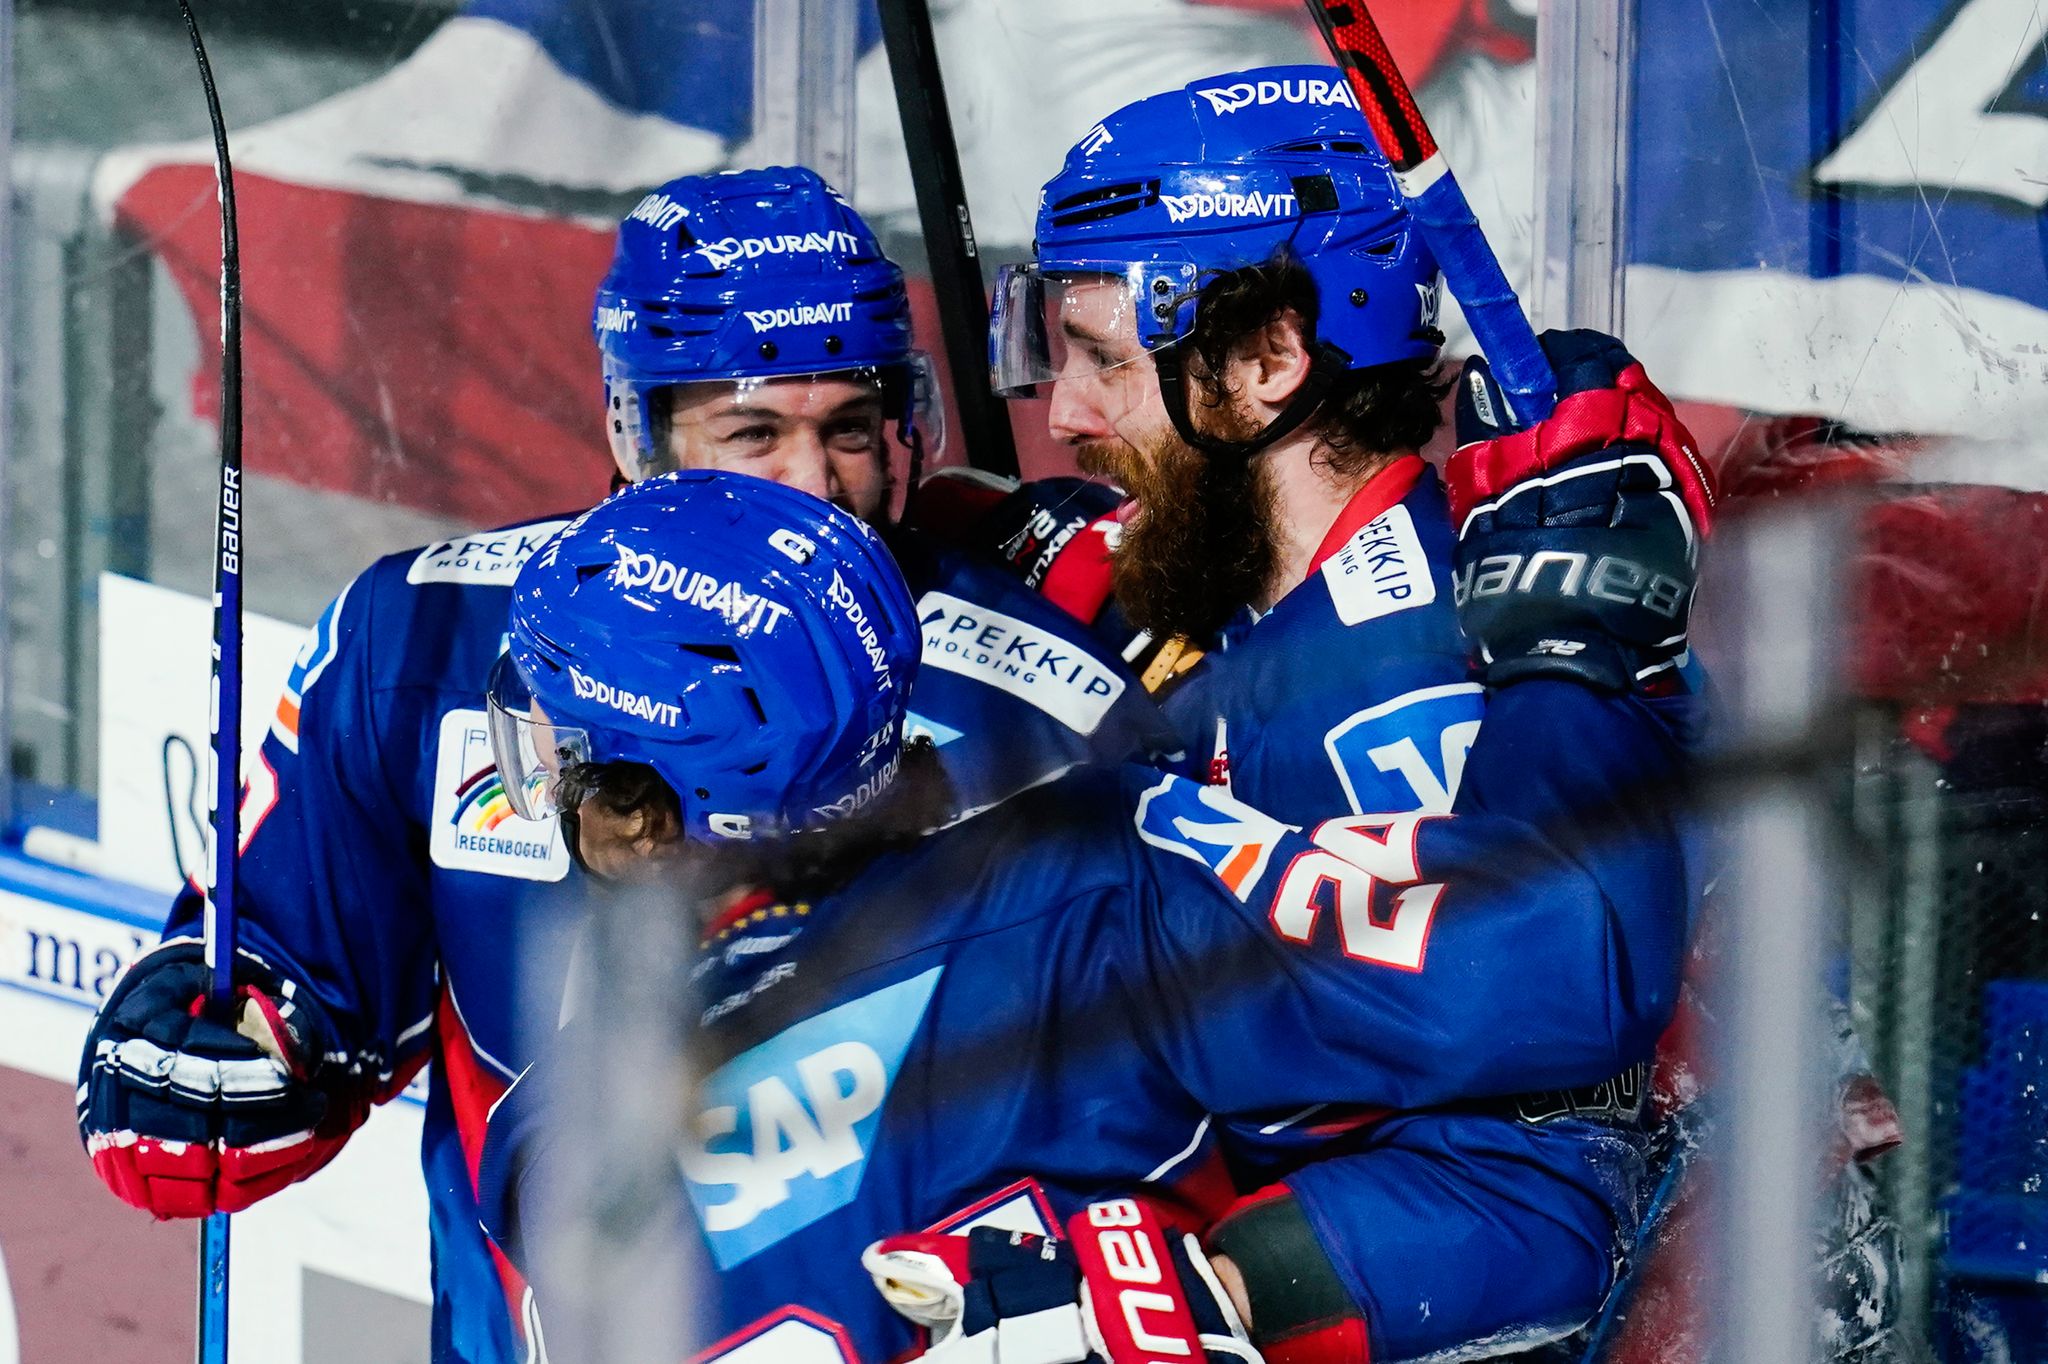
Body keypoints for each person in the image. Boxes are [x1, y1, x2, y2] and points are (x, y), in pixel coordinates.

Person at [74, 167, 1165, 1364]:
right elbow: (292, 988)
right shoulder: (426, 636)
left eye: (849, 429)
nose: (813, 486)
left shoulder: (1050, 677)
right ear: (629, 428)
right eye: (752, 431)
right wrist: (207, 1053)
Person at [473, 436, 1704, 1364]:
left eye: (550, 752)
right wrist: (1573, 657)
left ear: (639, 821)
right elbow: (1566, 956)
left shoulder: (552, 1127)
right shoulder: (1084, 898)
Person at [976, 66, 1718, 1359]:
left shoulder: (1413, 676)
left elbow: (1537, 1178)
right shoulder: (1211, 574)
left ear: (1267, 360)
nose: (1066, 410)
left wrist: (1213, 1293)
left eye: (1098, 355)